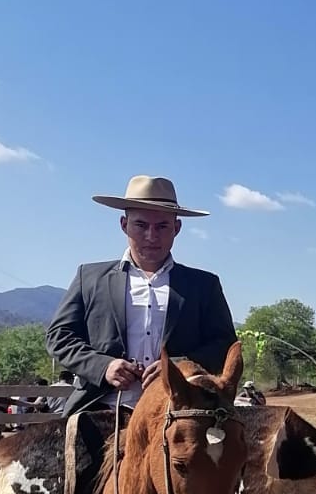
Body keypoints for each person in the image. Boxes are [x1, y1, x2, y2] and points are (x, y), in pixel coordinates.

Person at [47, 175, 237, 417]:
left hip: (177, 415)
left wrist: (177, 367)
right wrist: (104, 367)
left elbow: (225, 344)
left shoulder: (203, 285)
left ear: (177, 228)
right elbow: (59, 336)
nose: (151, 236)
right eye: (141, 225)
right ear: (124, 224)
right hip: (99, 407)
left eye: (162, 226)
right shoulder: (90, 278)